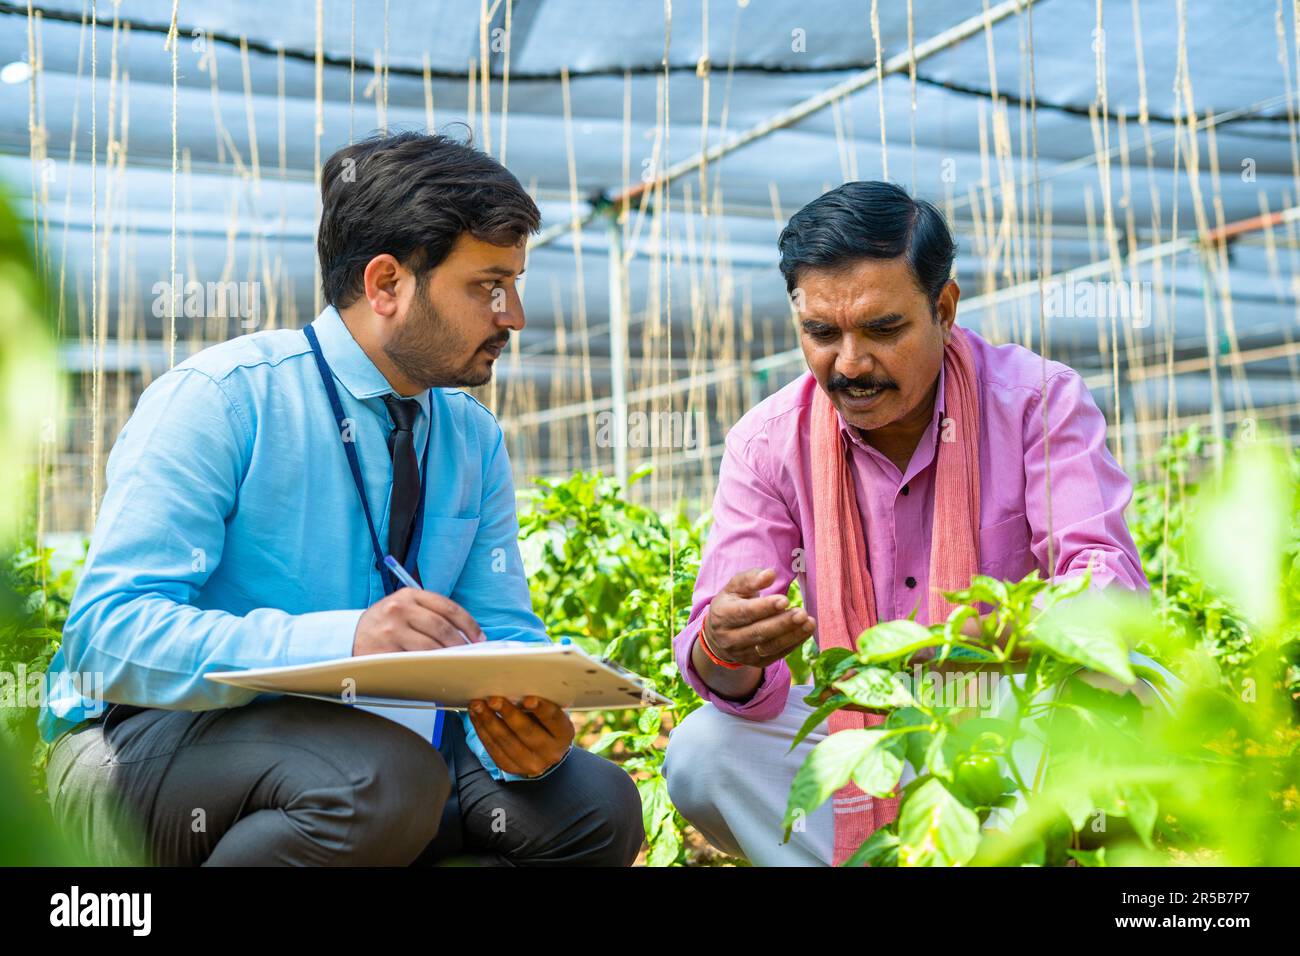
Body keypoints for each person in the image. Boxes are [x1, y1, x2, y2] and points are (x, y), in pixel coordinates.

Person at [39, 131, 643, 867]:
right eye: (488, 284)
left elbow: (500, 631)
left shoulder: (471, 439)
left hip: (390, 748)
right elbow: (109, 638)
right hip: (153, 745)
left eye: (514, 283)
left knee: (593, 807)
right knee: (374, 782)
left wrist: (523, 727)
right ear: (386, 284)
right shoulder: (222, 400)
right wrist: (343, 640)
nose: (512, 314)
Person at [662, 180, 1174, 866]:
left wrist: (1001, 628)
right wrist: (725, 648)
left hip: (1011, 701)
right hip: (867, 711)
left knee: (1116, 693)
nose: (849, 364)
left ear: (945, 307)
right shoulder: (767, 443)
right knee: (704, 752)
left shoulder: (1036, 402)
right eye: (821, 333)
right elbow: (726, 665)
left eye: (882, 329)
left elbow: (1108, 587)